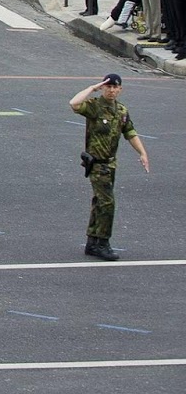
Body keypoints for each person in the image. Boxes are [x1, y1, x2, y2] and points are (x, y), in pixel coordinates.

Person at [69, 74, 149, 261]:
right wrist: (92, 88)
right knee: (107, 203)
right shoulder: (95, 106)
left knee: (100, 202)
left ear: (120, 89)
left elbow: (129, 132)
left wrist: (142, 153)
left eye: (115, 87)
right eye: (108, 87)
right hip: (97, 164)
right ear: (103, 88)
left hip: (110, 163)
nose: (111, 90)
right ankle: (103, 243)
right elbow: (74, 103)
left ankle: (92, 241)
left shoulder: (121, 110)